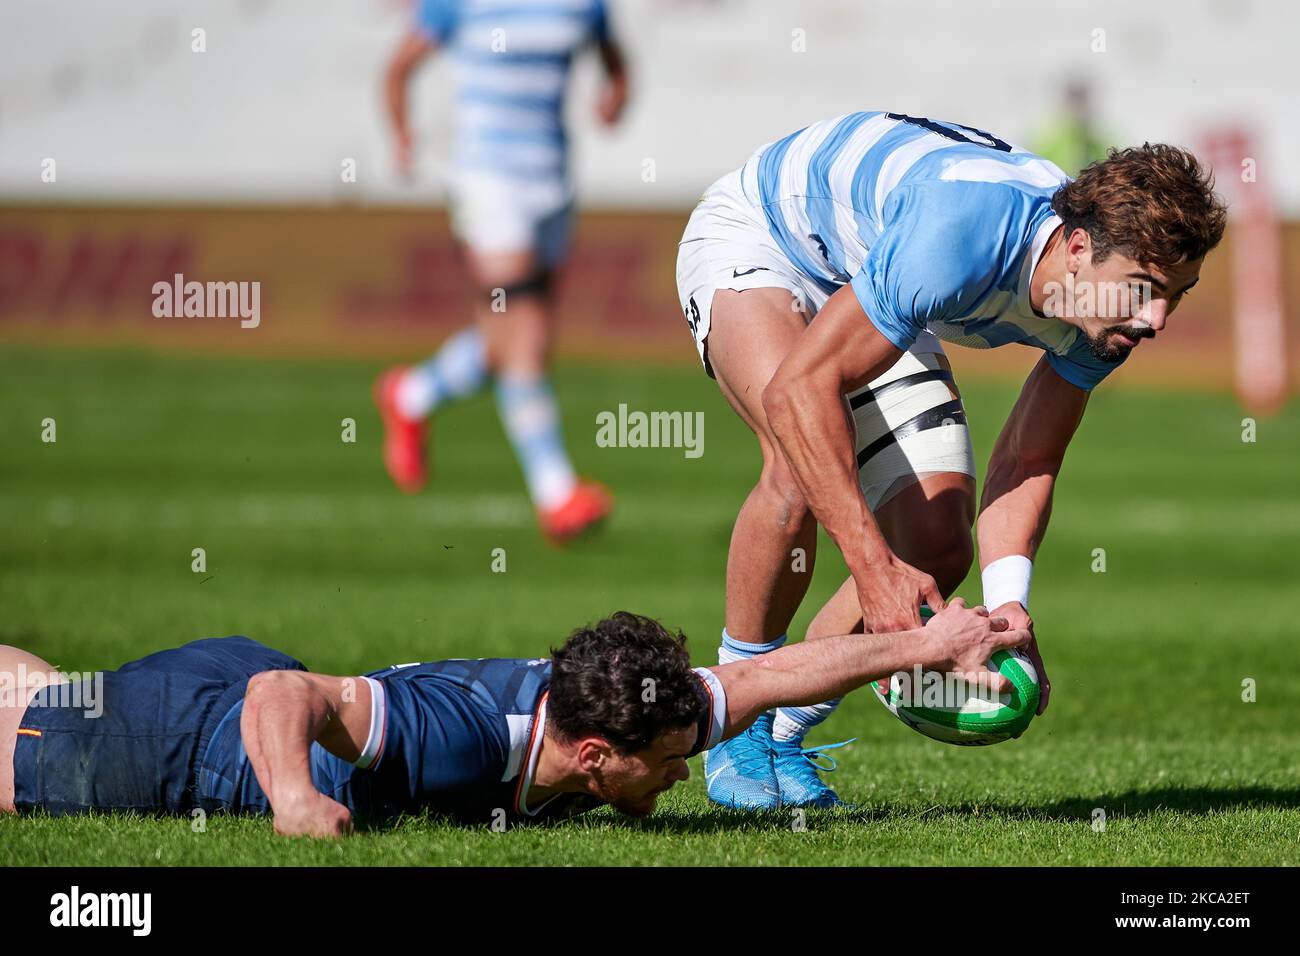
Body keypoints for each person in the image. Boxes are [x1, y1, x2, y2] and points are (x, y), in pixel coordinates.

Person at [674, 110, 1226, 808]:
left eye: (1176, 294)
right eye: (1143, 286)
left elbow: (1026, 458)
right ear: (1078, 247)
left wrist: (1008, 607)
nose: (1156, 320)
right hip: (764, 237)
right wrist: (873, 571)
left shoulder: (1103, 317)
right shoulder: (960, 237)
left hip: (875, 271)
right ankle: (737, 725)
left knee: (936, 546)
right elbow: (798, 392)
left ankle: (784, 730)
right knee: (797, 462)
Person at [0, 603, 1026, 836]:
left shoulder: (640, 710)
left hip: (241, 686)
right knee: (24, 747)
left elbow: (778, 673)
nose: (684, 772)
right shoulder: (463, 735)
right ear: (596, 756)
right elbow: (281, 697)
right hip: (186, 741)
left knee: (32, 690)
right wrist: (297, 802)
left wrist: (927, 645)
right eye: (671, 764)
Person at [376, 0, 629, 541]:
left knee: (507, 343)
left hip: (553, 183)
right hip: (489, 182)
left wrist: (615, 97)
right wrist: (402, 136)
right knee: (525, 331)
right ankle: (556, 494)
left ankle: (410, 394)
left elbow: (614, 59)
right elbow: (398, 68)